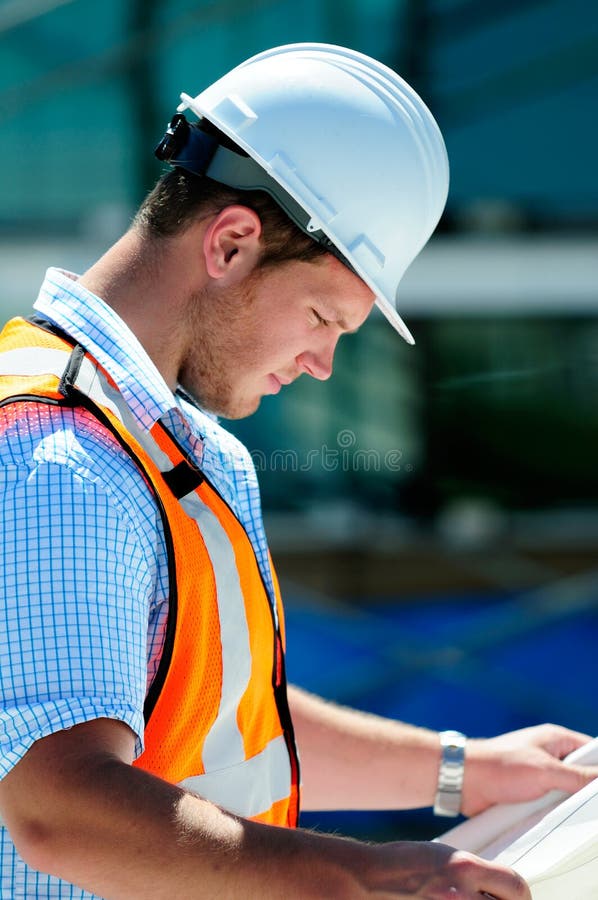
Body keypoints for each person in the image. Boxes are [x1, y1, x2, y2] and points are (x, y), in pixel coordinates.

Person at [0, 43, 595, 900]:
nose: (322, 364)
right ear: (233, 243)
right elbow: (59, 806)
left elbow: (227, 716)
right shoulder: (57, 457)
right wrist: (362, 876)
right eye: (325, 316)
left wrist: (464, 771)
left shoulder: (184, 449)